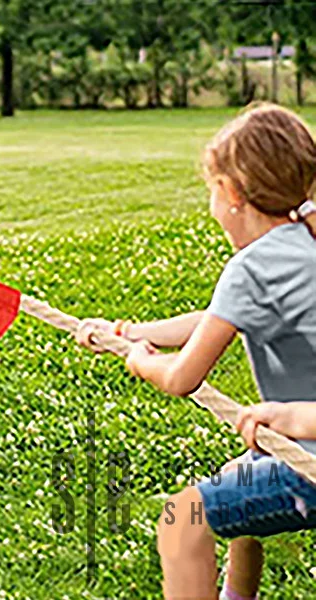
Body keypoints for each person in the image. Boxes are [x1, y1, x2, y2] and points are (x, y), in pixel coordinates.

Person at [76, 104, 316, 599]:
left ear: (230, 194)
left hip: (308, 464)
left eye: (211, 189)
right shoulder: (301, 244)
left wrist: (140, 360)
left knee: (182, 520)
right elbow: (214, 322)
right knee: (235, 475)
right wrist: (127, 329)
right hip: (298, 441)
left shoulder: (250, 270)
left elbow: (183, 377)